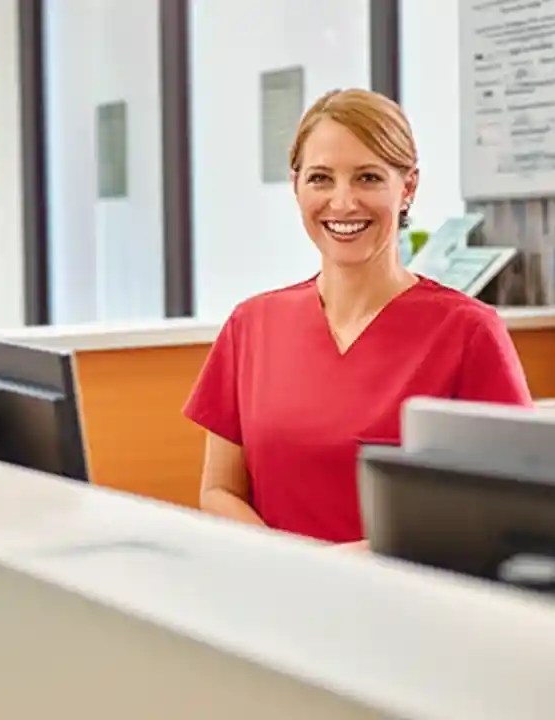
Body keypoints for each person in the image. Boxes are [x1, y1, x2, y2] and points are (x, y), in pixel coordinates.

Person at [182, 88, 532, 545]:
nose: (343, 202)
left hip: (403, 601)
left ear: (407, 188)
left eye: (367, 178)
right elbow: (219, 490)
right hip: (272, 596)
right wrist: (294, 568)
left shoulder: (468, 332)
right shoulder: (251, 325)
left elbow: (507, 508)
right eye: (321, 178)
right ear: (296, 187)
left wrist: (348, 571)